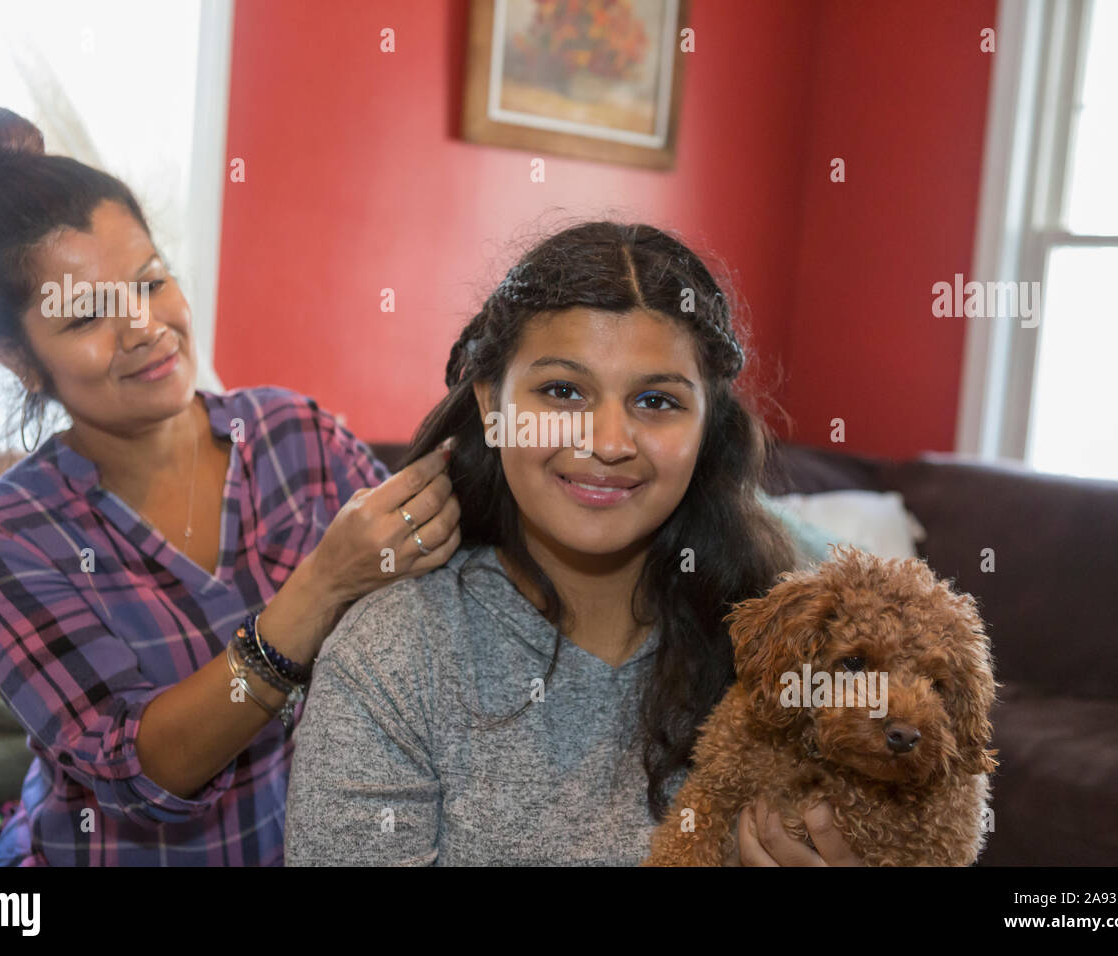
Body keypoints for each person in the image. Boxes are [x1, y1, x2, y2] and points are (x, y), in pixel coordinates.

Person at [0, 101, 460, 865]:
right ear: (14, 355)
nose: (145, 328)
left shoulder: (294, 435)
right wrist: (321, 586)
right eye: (86, 318)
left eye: (150, 282)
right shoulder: (1, 534)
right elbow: (145, 770)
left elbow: (439, 608)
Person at [284, 222, 868, 865]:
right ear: (491, 406)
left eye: (657, 400)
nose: (608, 442)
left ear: (707, 428)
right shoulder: (392, 656)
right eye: (562, 392)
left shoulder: (792, 648)